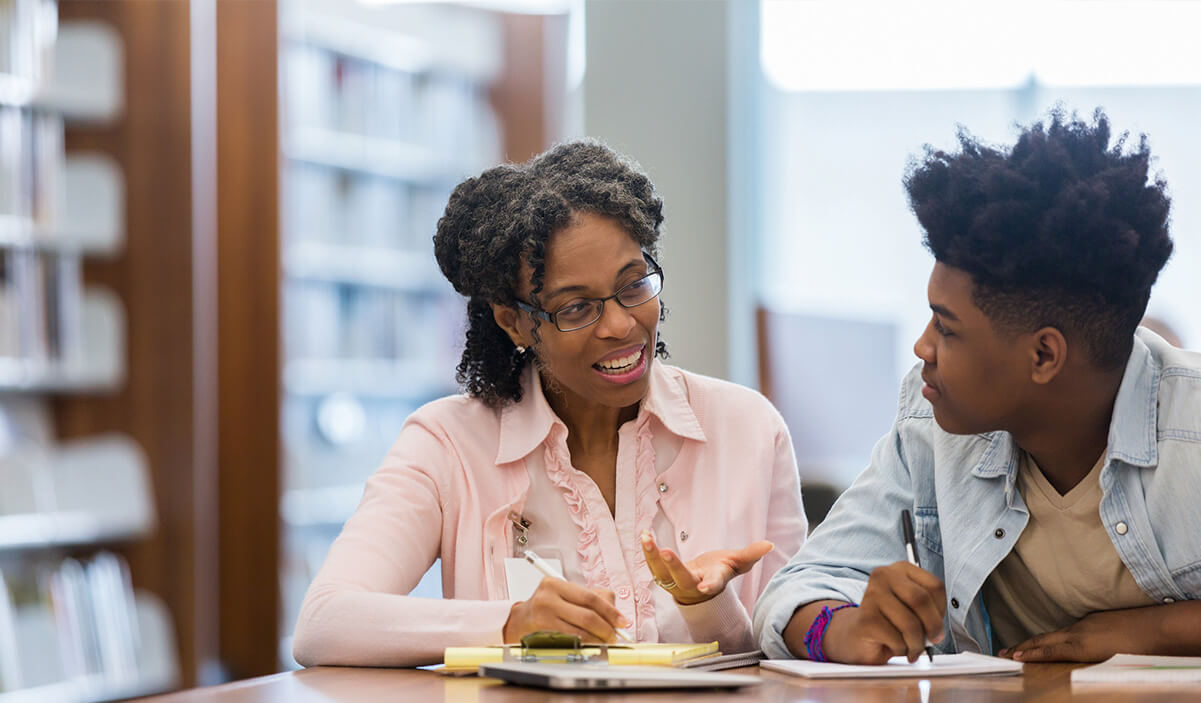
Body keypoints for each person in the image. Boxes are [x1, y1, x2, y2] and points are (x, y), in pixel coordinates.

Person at [292, 140, 807, 667]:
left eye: (633, 286)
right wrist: (511, 624)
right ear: (513, 321)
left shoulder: (748, 428)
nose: (621, 325)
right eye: (576, 307)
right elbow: (324, 623)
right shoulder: (448, 445)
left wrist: (707, 605)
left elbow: (789, 653)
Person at [753, 109, 1201, 665]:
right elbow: (800, 588)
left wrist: (1147, 633)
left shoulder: (1192, 433)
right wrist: (841, 628)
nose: (923, 348)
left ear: (1044, 355)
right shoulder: (930, 421)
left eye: (946, 326)